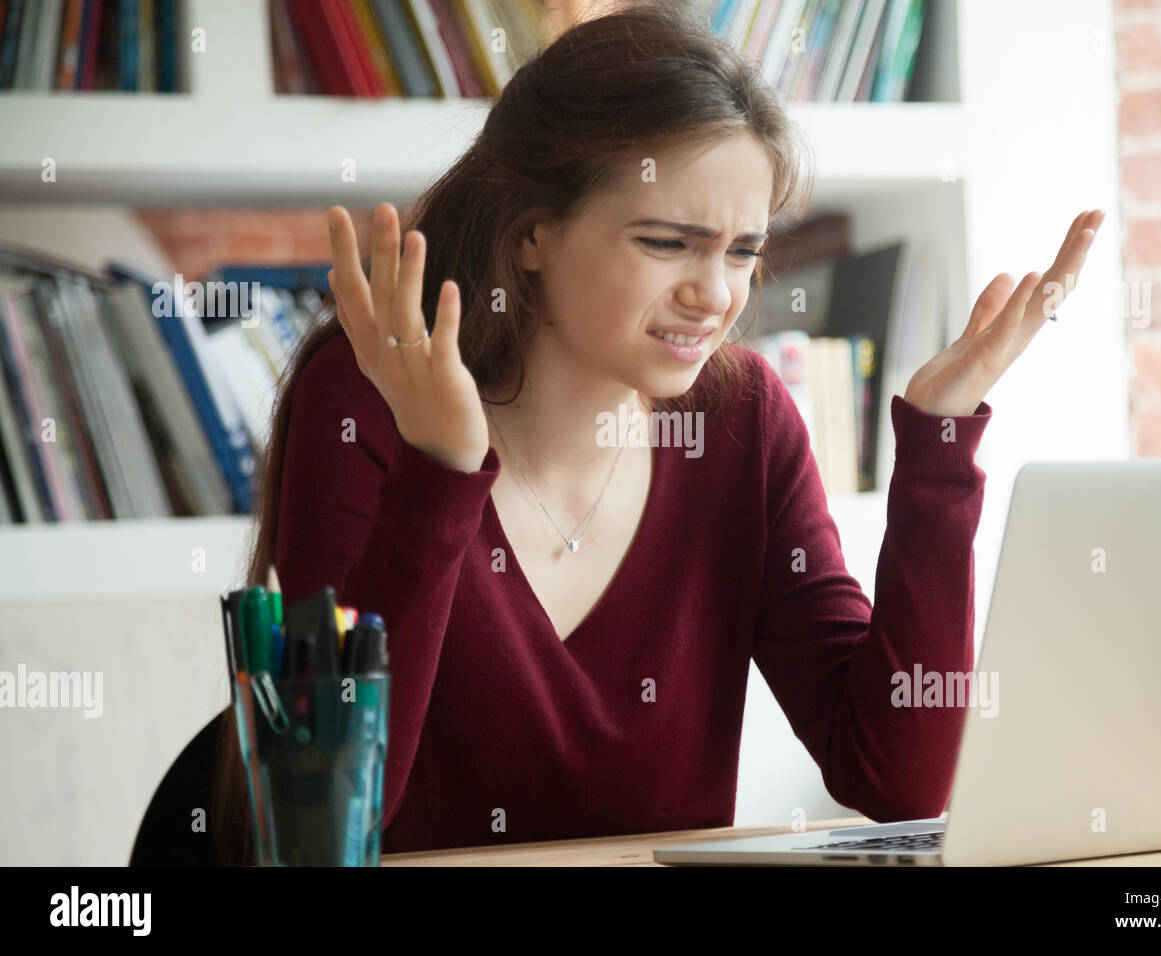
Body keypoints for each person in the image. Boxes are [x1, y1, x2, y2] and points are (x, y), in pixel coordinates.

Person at [137, 1, 1101, 866]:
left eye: (742, 251)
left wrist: (937, 448)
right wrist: (438, 470)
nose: (714, 294)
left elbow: (898, 778)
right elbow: (336, 819)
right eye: (666, 242)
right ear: (532, 234)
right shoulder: (371, 396)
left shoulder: (744, 423)